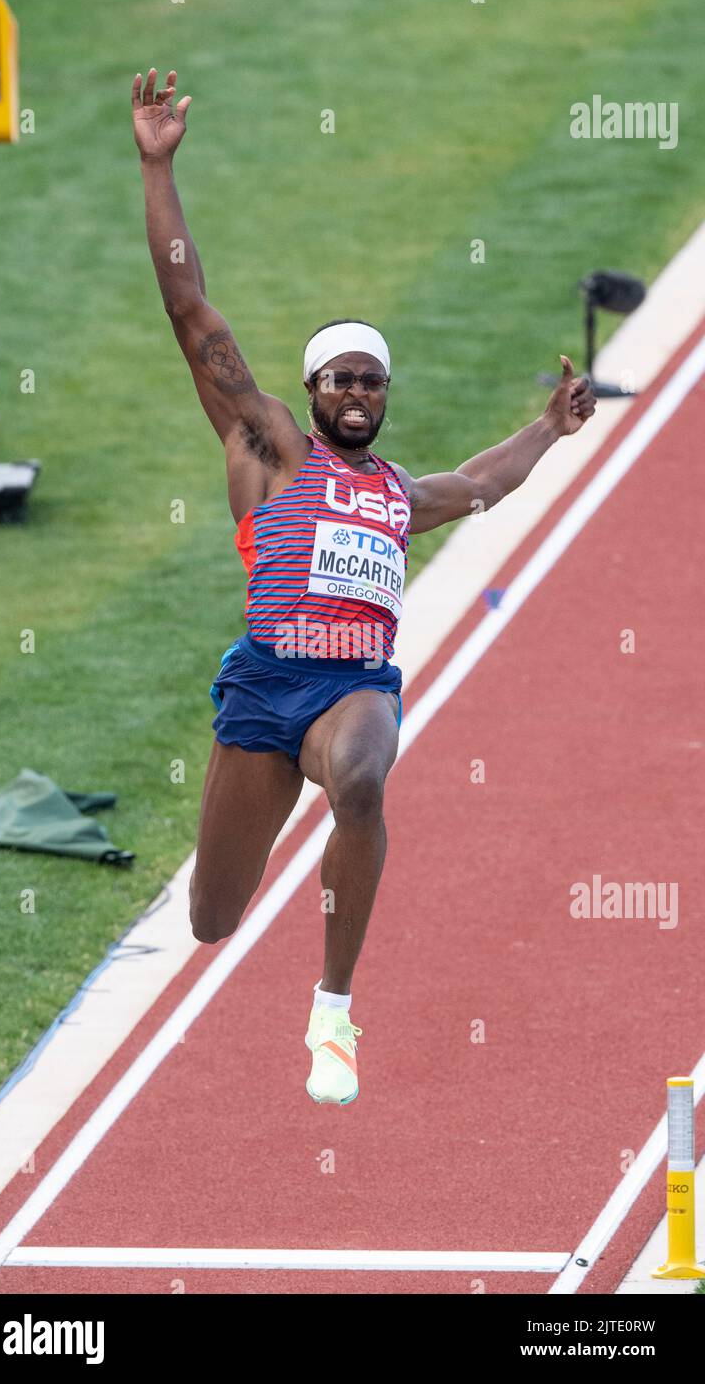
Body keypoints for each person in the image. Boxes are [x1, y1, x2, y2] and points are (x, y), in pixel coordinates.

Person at [132, 68, 597, 1106]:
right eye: (337, 377)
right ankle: (258, 926)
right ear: (307, 392)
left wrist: (550, 425)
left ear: (384, 394)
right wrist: (158, 167)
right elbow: (187, 306)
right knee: (212, 918)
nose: (354, 391)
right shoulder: (268, 450)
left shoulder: (394, 491)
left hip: (353, 686)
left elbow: (477, 484)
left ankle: (331, 1013)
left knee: (362, 778)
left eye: (370, 378)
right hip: (262, 687)